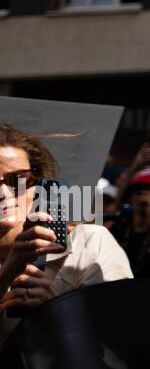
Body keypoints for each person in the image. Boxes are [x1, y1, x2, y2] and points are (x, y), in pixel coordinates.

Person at [0, 125, 132, 346]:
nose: (3, 193)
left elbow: (125, 337)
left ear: (40, 185)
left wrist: (55, 310)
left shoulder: (88, 244)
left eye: (18, 180)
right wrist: (5, 278)